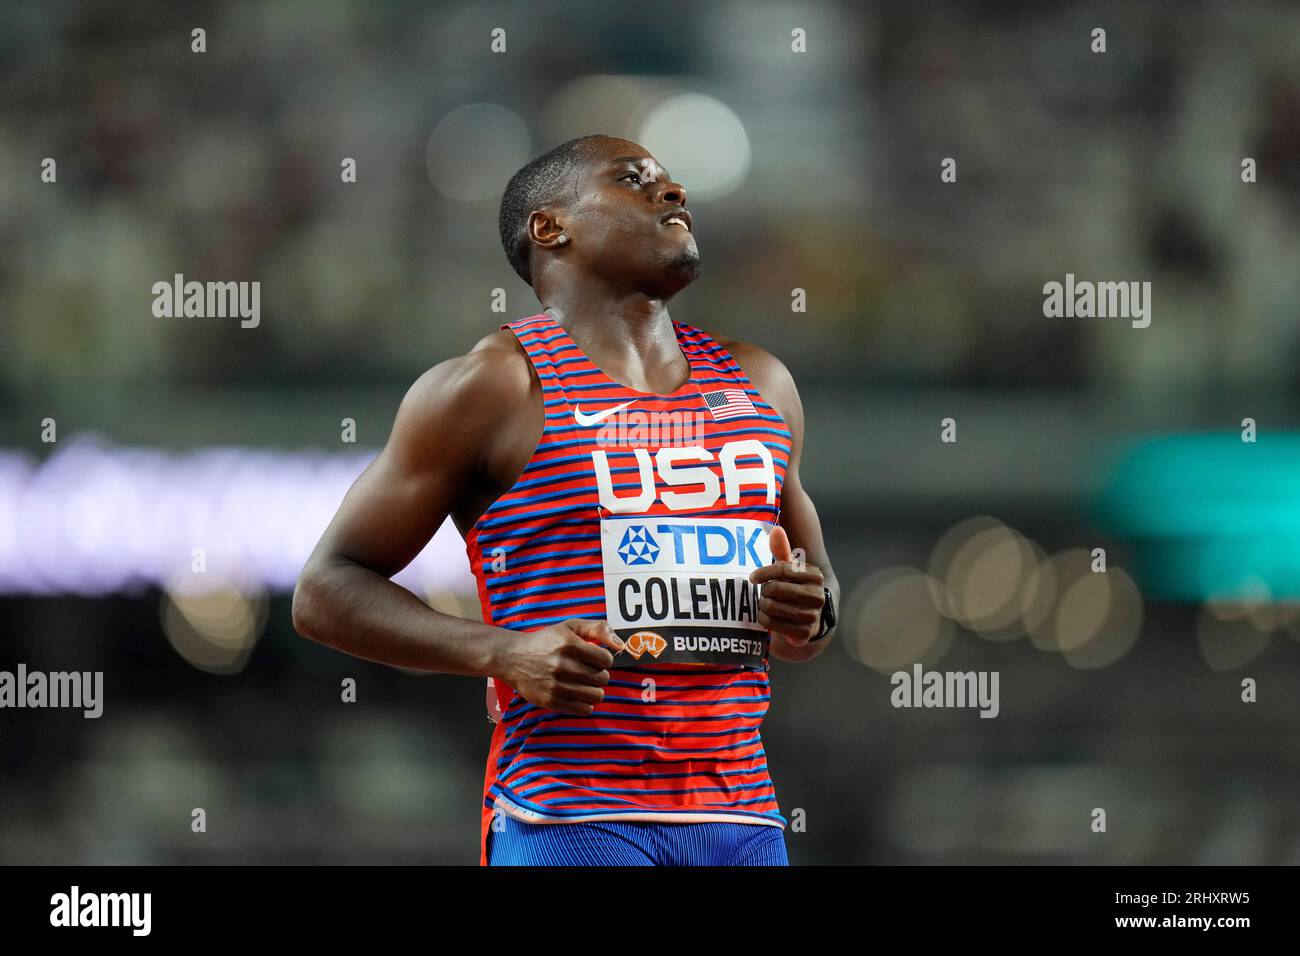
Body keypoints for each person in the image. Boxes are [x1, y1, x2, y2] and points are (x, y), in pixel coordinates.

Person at [292, 134, 838, 866]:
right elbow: (325, 591)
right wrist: (505, 653)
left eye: (672, 182)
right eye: (634, 179)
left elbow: (814, 618)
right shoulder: (492, 388)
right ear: (551, 227)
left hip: (740, 817)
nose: (673, 193)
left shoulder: (761, 383)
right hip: (569, 816)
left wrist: (808, 609)